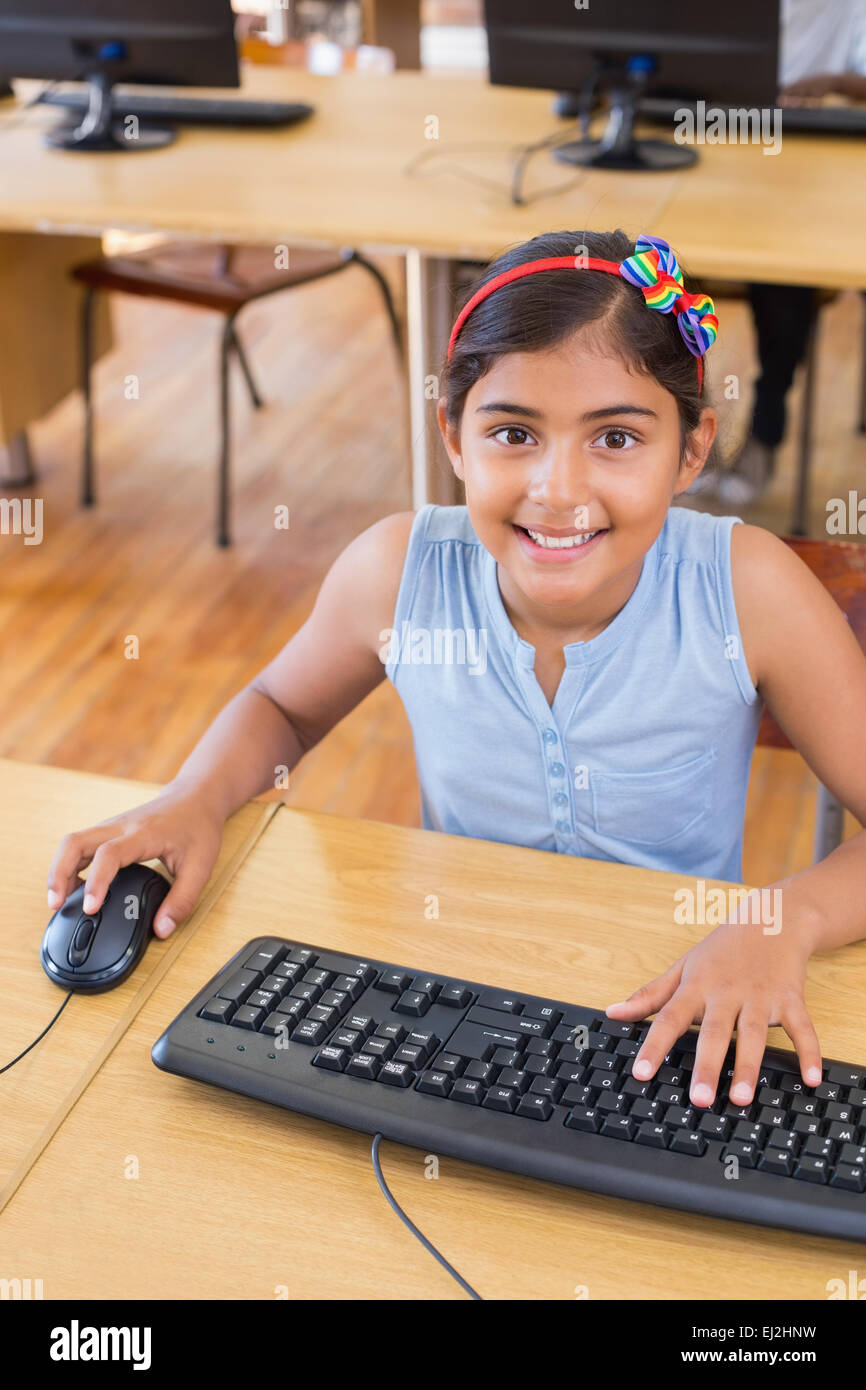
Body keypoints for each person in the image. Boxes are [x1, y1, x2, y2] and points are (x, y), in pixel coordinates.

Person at [46, 229, 866, 1114]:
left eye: (617, 438)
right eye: (513, 432)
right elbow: (281, 707)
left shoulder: (749, 590)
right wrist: (195, 796)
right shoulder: (397, 572)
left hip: (676, 1007)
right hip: (457, 1000)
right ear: (453, 438)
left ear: (691, 451)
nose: (558, 489)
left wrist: (780, 920)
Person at [715, 0, 866, 504]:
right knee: (652, 266)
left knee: (783, 276)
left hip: (818, 163)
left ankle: (765, 428)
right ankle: (687, 421)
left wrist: (834, 82)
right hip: (720, 143)